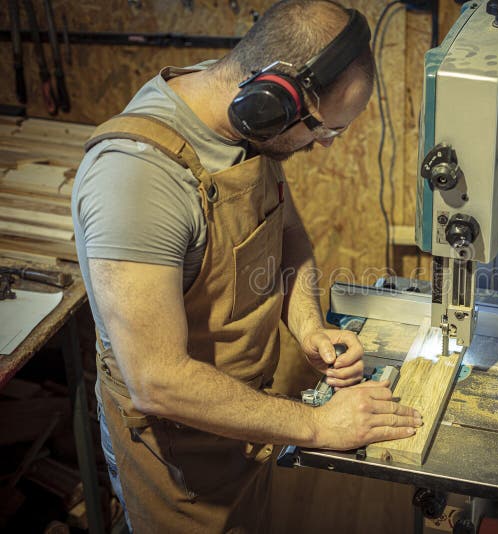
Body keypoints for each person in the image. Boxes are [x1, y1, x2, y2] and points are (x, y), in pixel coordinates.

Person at [71, 1, 422, 531]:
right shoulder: (139, 180)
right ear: (272, 98)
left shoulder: (242, 126)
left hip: (243, 421)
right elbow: (157, 380)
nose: (325, 146)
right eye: (324, 129)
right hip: (175, 456)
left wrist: (308, 326)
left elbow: (288, 234)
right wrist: (317, 426)